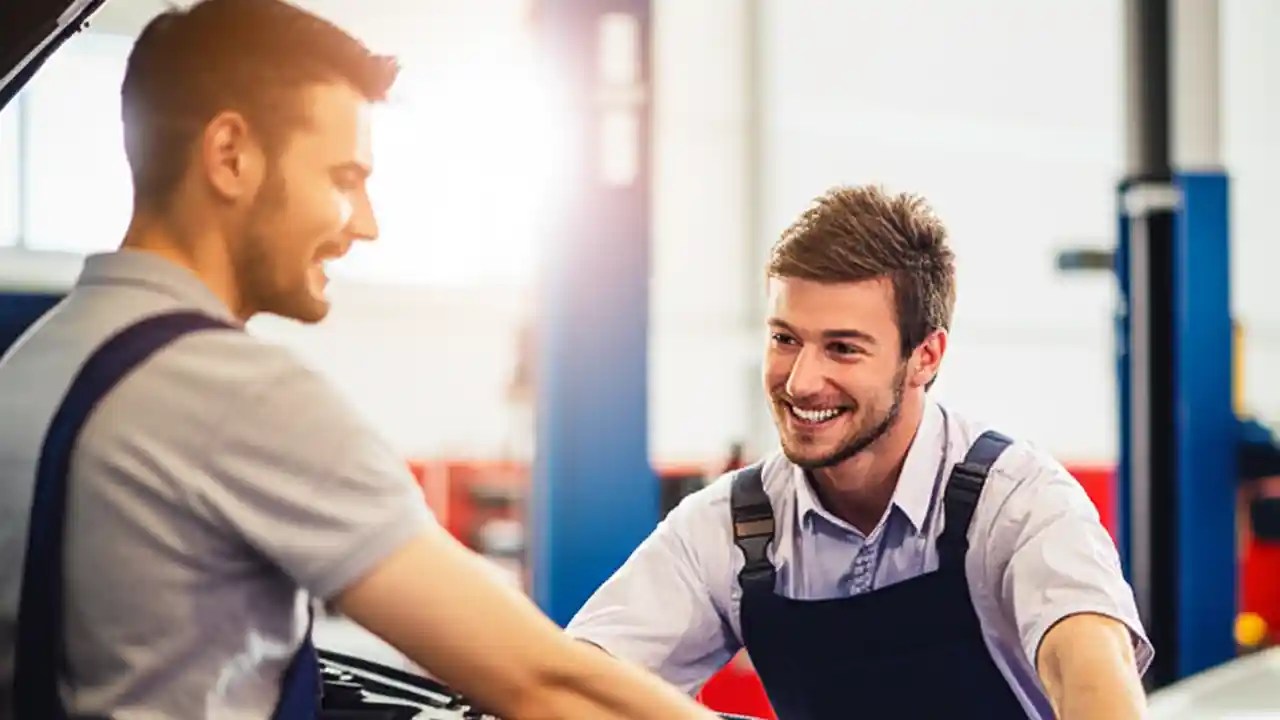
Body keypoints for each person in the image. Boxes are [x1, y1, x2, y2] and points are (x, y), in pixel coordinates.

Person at [0, 1, 720, 719]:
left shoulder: (31, 367)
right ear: (230, 156)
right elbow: (542, 682)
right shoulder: (241, 397)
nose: (366, 225)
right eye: (344, 179)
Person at [566, 185, 1154, 719]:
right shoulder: (733, 527)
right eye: (784, 339)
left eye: (842, 348)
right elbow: (578, 690)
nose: (800, 382)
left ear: (925, 357)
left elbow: (1092, 678)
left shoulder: (1018, 503)